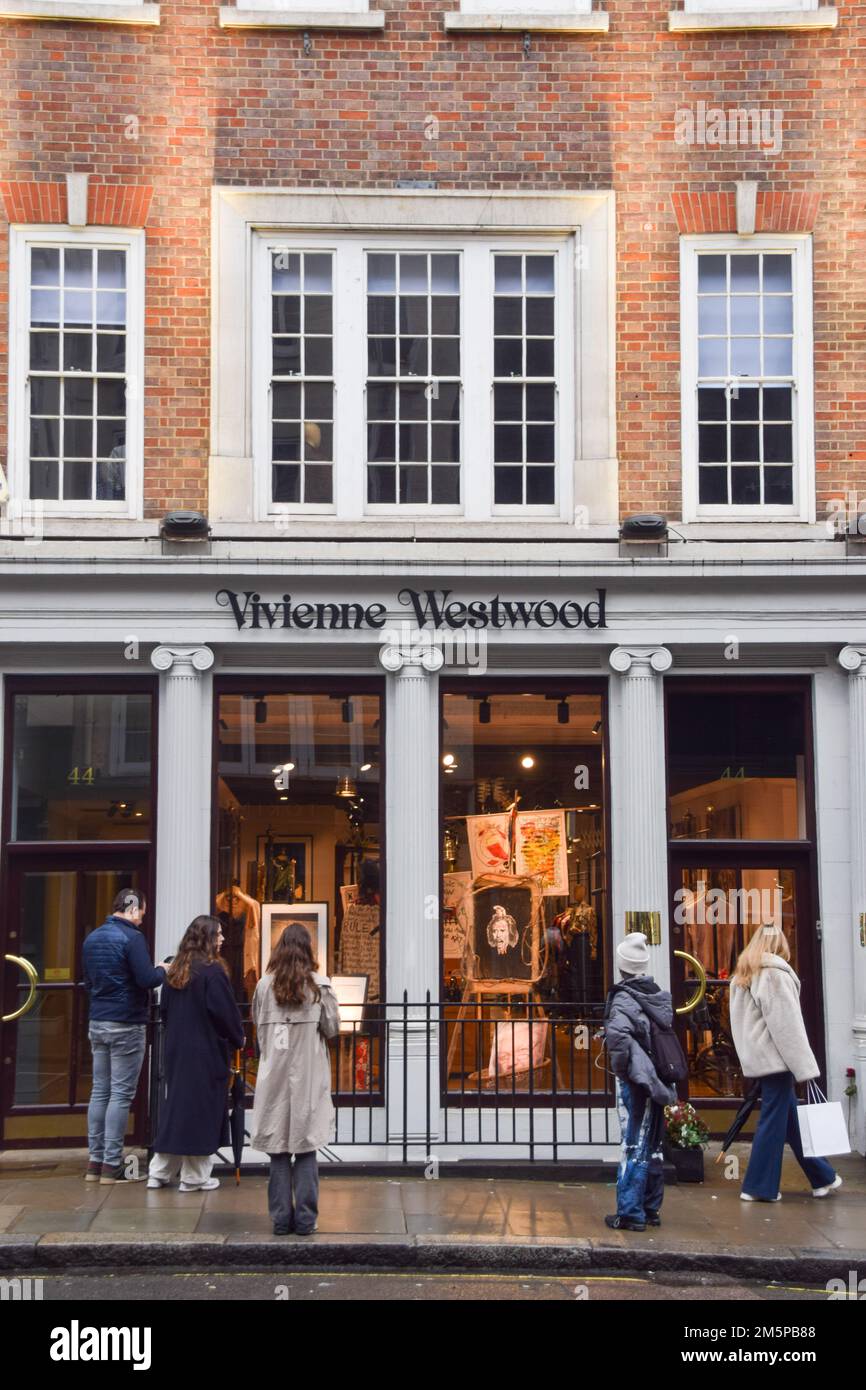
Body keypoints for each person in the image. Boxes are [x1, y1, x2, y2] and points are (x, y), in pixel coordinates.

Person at [729, 924, 842, 1203]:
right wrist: (804, 1067)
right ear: (780, 945)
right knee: (772, 1120)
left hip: (762, 1058)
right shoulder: (773, 974)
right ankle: (757, 1186)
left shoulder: (744, 974)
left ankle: (822, 1177)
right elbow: (787, 1026)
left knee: (789, 1120)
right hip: (777, 1059)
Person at [250, 922, 340, 1235]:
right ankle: (305, 1220)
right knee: (305, 1148)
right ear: (308, 949)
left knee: (277, 1149)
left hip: (274, 1075)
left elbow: (258, 1028)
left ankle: (280, 1220)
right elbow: (332, 1028)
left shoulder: (264, 985)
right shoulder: (319, 986)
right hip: (309, 1077)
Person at [148, 916, 245, 1192]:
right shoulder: (212, 972)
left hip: (177, 1047)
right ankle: (194, 1176)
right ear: (207, 938)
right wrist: (238, 1038)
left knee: (177, 1107)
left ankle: (160, 1171)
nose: (223, 939)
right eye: (219, 934)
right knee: (203, 1110)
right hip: (205, 1050)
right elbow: (224, 1013)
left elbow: (164, 1010)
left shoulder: (177, 968)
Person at [82, 889, 171, 1185]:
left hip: (98, 1021)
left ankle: (94, 1163)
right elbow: (146, 979)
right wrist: (163, 969)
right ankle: (112, 1165)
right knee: (120, 1095)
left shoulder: (92, 938)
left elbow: (88, 982)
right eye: (142, 912)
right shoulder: (133, 939)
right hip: (126, 1023)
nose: (143, 918)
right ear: (133, 908)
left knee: (99, 1091)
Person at [602, 932, 677, 1231]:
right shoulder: (655, 993)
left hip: (636, 1079)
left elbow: (620, 1037)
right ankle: (650, 1208)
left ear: (622, 966)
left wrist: (621, 1068)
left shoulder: (623, 997)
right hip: (656, 1079)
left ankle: (631, 1213)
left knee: (633, 1144)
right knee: (652, 1145)